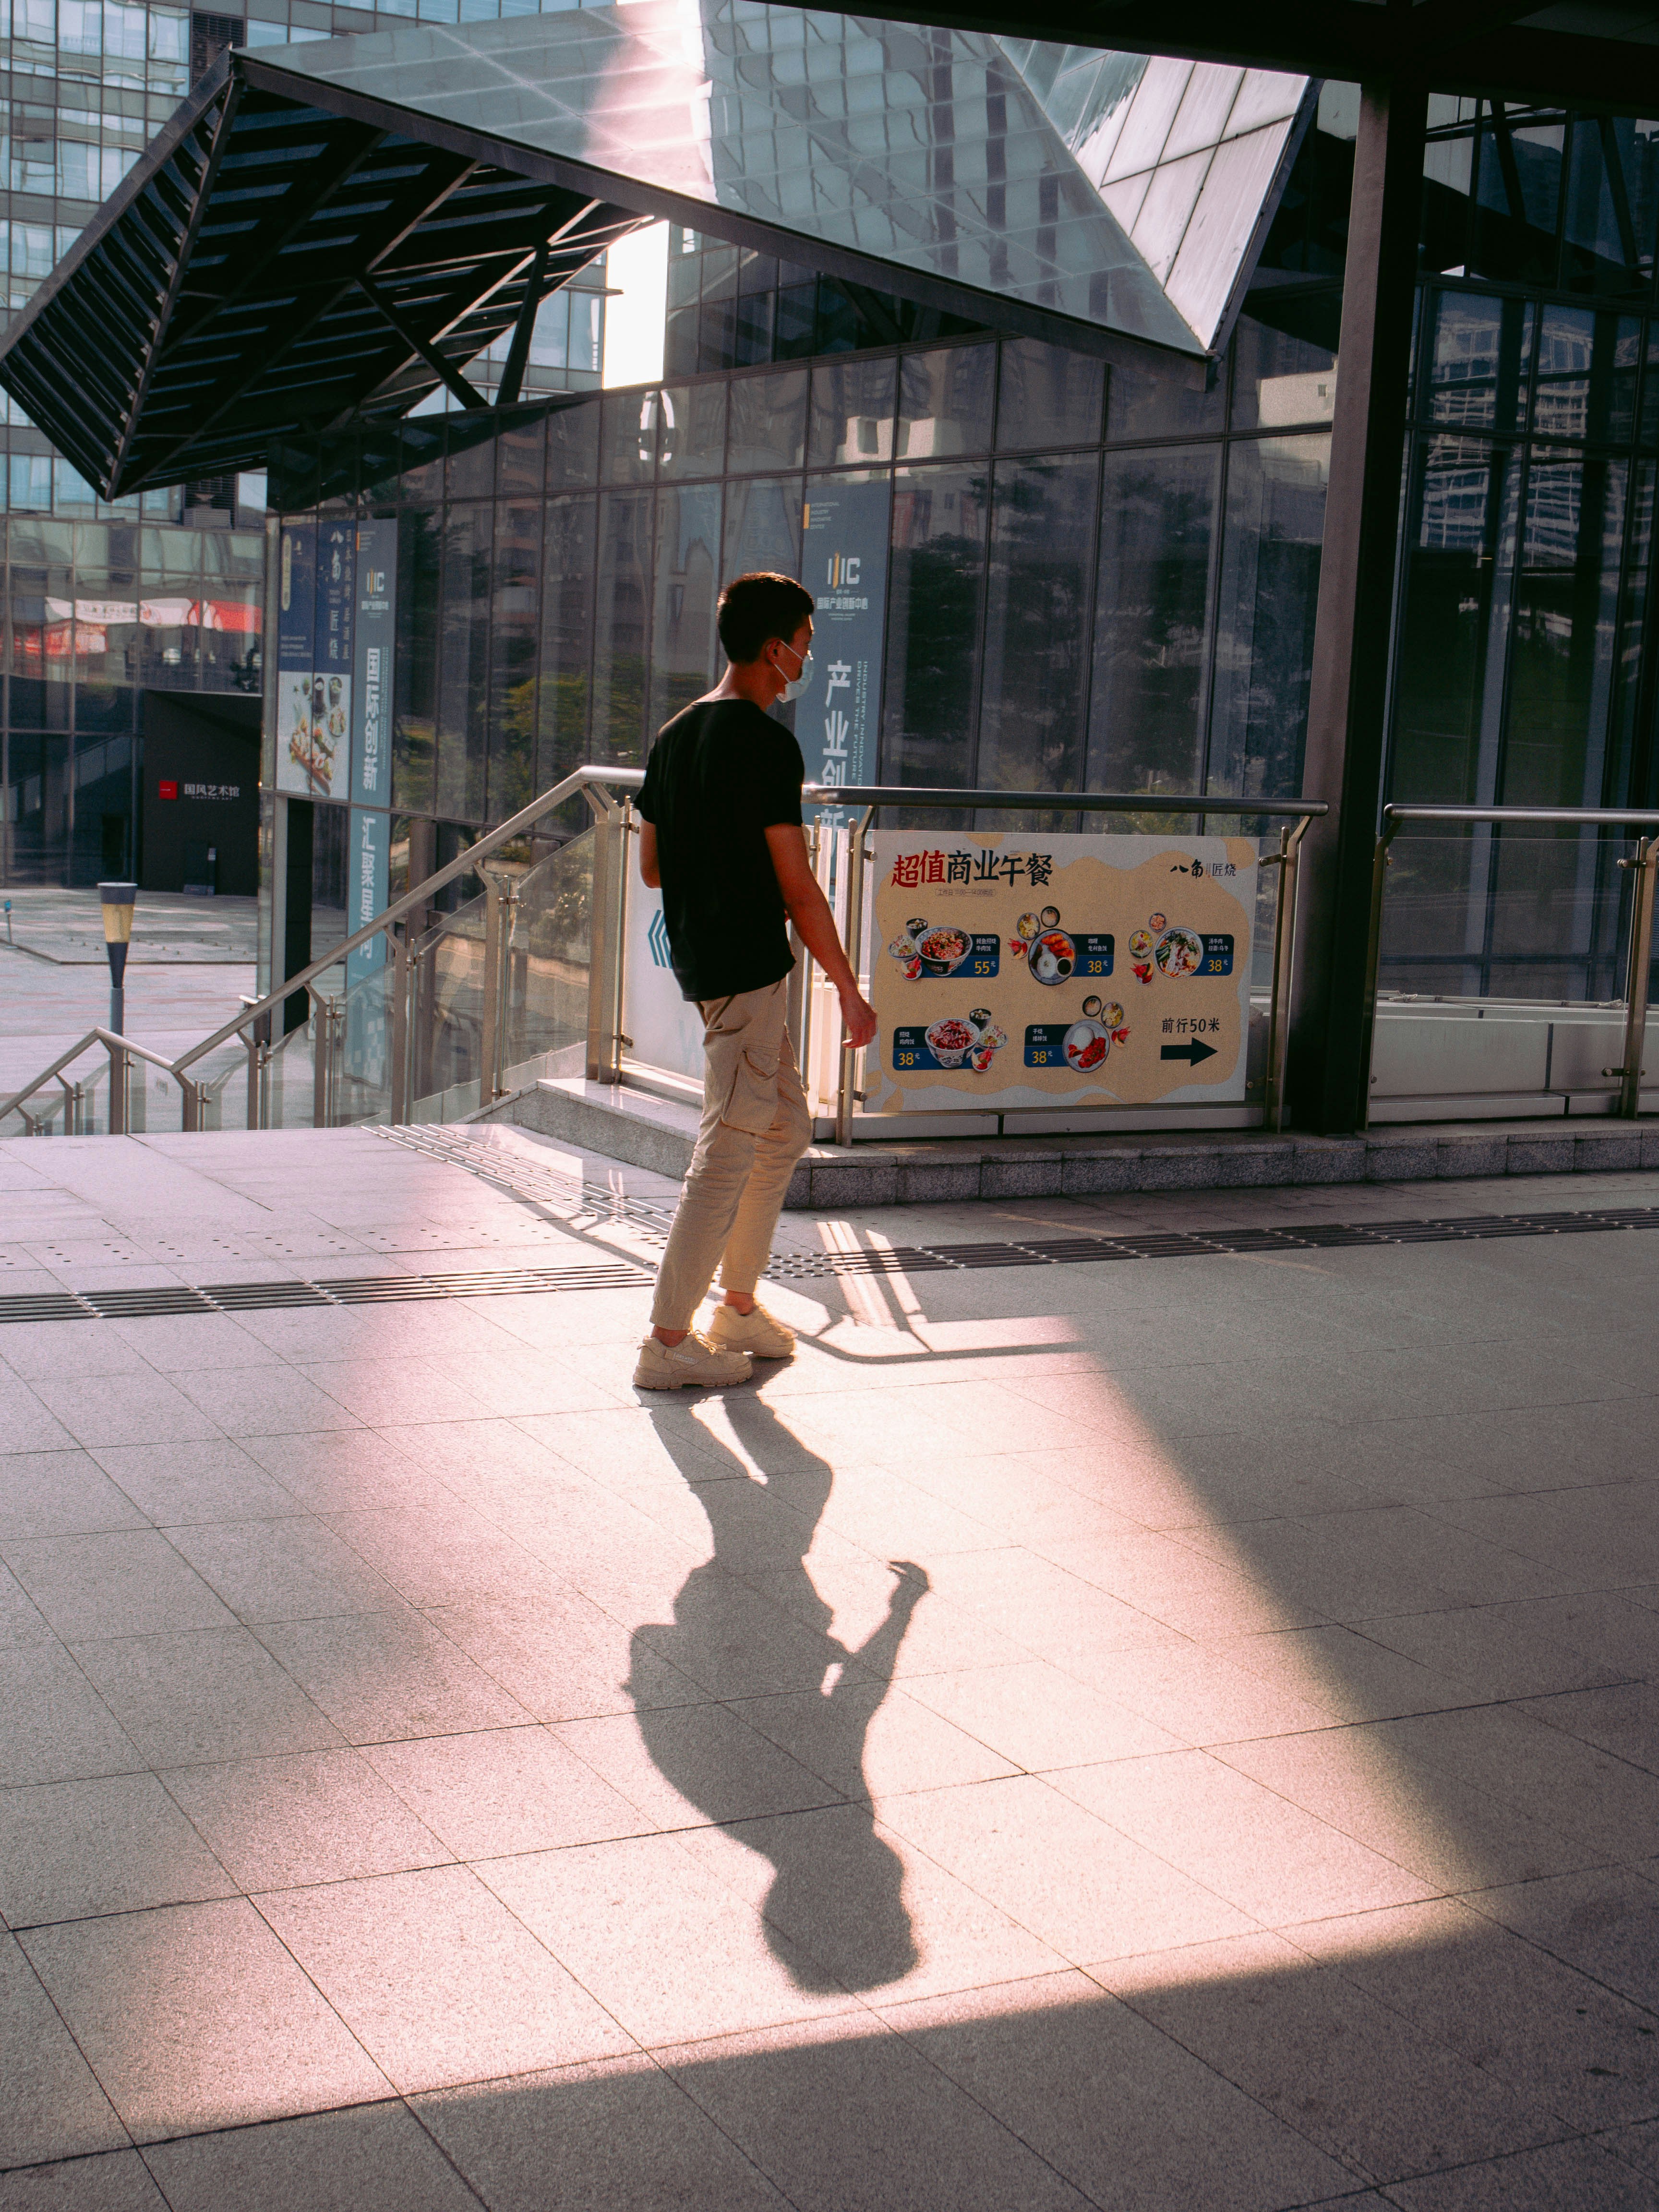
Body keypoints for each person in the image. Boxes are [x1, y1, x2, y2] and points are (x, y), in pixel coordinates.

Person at [631, 571, 878, 1390]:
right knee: (729, 1149)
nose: (807, 656)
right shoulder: (768, 745)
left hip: (708, 964)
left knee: (783, 1129)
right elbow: (798, 885)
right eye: (805, 642)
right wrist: (848, 986)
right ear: (776, 649)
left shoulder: (672, 737)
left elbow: (654, 869)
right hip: (747, 968)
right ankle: (668, 1341)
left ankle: (735, 1305)